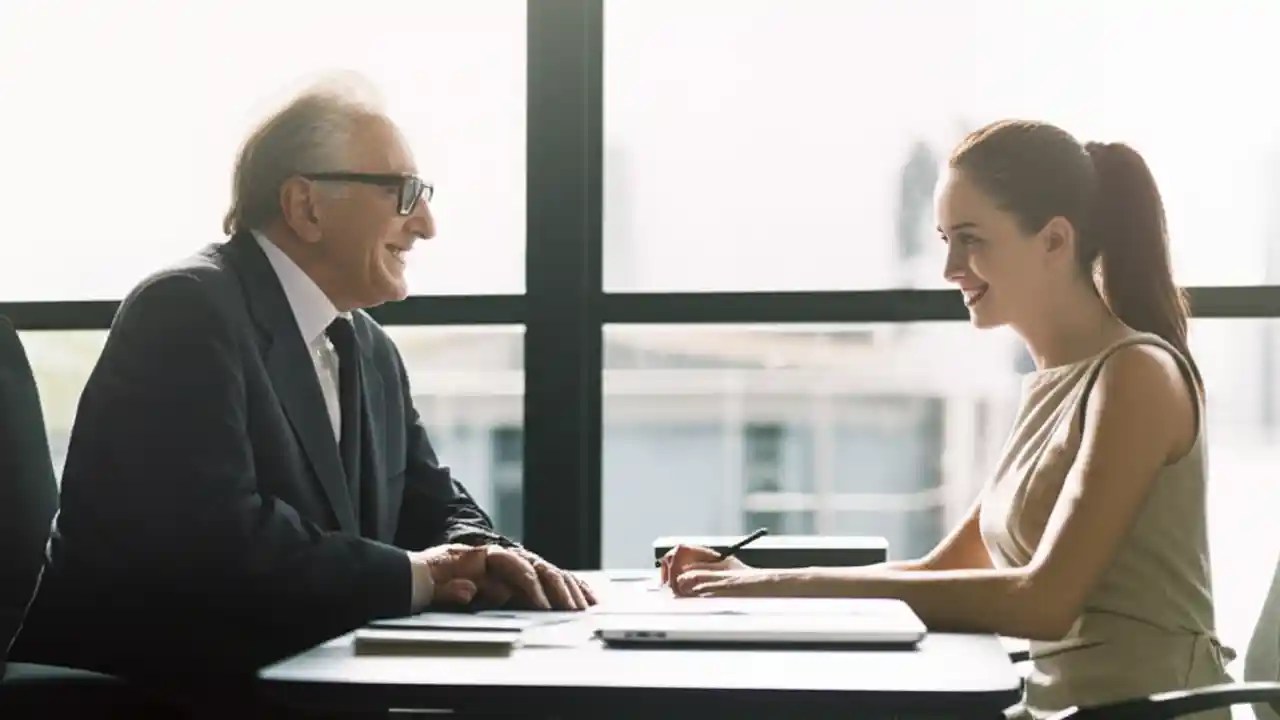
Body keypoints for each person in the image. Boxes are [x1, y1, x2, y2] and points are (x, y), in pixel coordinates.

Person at [11, 77, 594, 686]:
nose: (425, 223)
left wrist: (485, 554)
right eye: (402, 193)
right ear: (306, 206)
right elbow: (217, 543)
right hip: (155, 689)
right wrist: (422, 576)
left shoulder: (367, 345)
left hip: (305, 674)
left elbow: (432, 502)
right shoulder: (185, 311)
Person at [661, 119, 1234, 719]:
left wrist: (769, 589)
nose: (951, 268)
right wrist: (753, 580)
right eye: (945, 240)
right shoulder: (1053, 385)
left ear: (1054, 241)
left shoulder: (1135, 375)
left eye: (971, 239)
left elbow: (1042, 602)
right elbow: (941, 570)